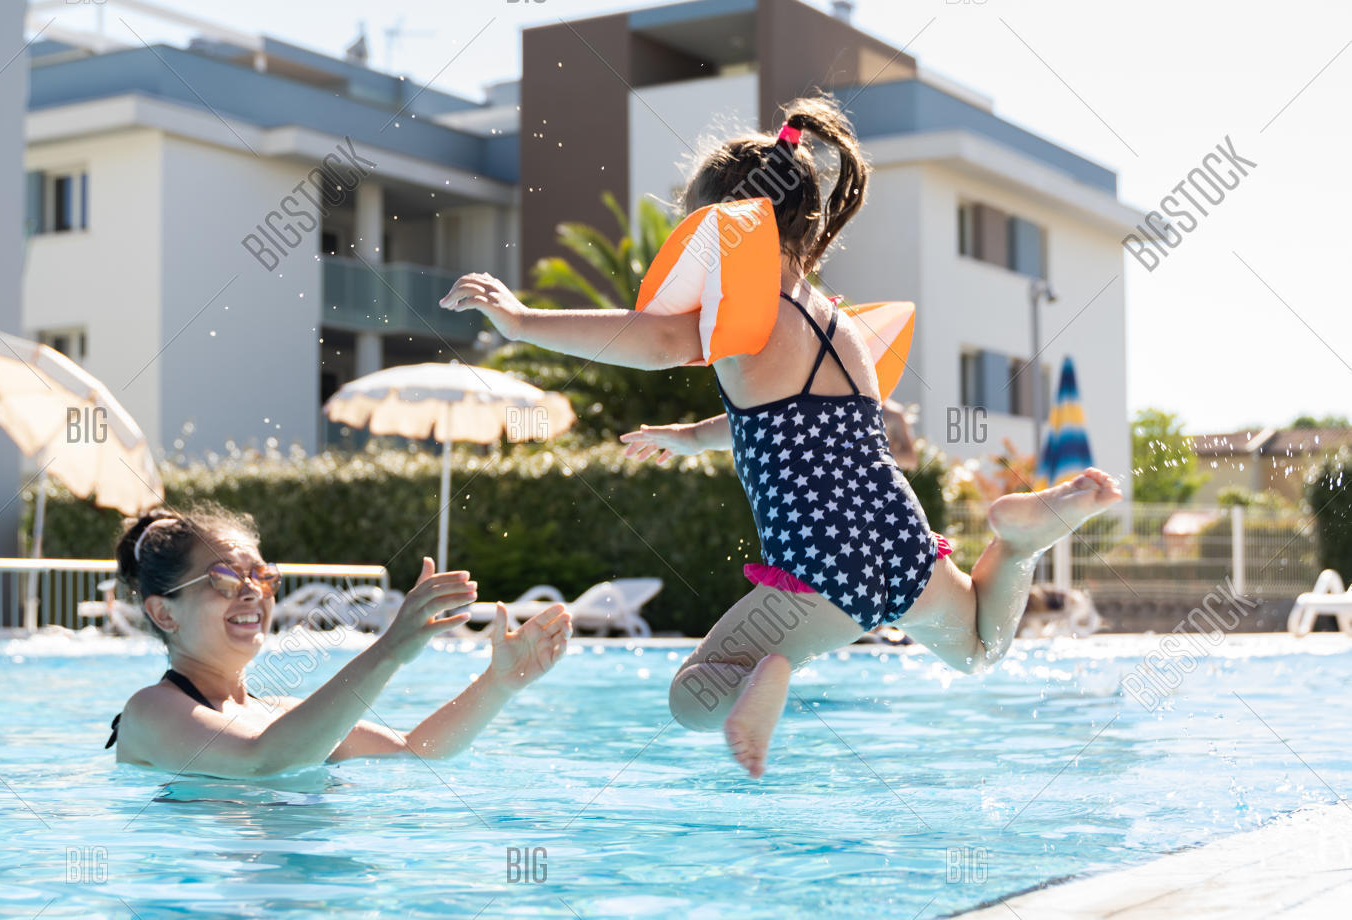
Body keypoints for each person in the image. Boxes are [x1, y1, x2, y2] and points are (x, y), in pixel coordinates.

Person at [439, 94, 1122, 777]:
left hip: (822, 563)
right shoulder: (838, 322)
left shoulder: (749, 315)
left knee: (693, 691)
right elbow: (791, 429)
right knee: (978, 649)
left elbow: (657, 342)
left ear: (718, 229)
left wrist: (525, 323)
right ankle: (1020, 539)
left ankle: (761, 679)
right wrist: (694, 437)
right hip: (899, 535)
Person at [106, 504, 571, 779]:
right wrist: (389, 650)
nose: (252, 591)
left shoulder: (284, 715)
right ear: (164, 612)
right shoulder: (150, 711)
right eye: (224, 578)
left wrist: (500, 684)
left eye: (263, 576)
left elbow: (417, 753)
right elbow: (261, 761)